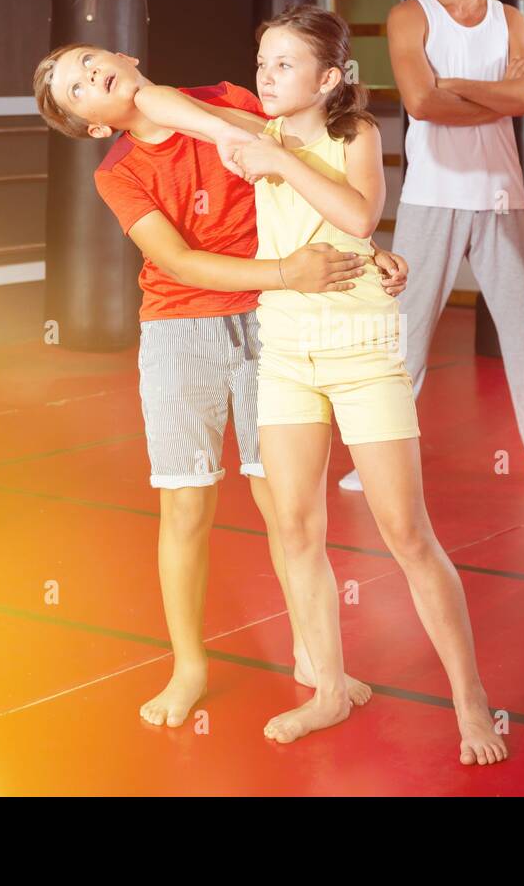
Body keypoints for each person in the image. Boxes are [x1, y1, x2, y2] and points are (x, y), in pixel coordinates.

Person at [133, 5, 509, 764]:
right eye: (262, 61)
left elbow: (360, 213)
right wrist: (128, 78)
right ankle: (329, 688)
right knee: (296, 528)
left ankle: (472, 698)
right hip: (286, 351)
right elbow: (168, 105)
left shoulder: (351, 134)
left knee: (406, 532)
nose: (266, 76)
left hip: (361, 345)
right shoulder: (256, 136)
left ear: (329, 79)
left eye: (284, 64)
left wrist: (284, 165)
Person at [33, 44, 412, 726]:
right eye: (78, 88)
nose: (91, 76)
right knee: (186, 508)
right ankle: (189, 666)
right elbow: (178, 260)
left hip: (274, 322)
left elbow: (302, 182)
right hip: (184, 332)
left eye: (90, 62)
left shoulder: (231, 100)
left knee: (288, 507)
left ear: (123, 51)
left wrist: (362, 252)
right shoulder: (118, 172)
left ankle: (311, 653)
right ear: (93, 125)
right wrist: (287, 273)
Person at [339, 0, 524, 495]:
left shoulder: (512, 22)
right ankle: (375, 458)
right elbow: (422, 104)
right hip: (433, 195)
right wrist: (496, 97)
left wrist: (459, 85)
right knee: (404, 334)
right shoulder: (411, 16)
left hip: (502, 195)